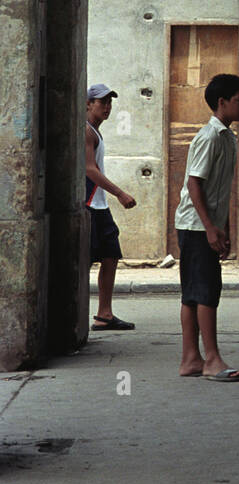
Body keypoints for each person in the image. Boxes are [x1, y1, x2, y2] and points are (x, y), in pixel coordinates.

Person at [174, 73, 239, 381]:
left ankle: (191, 358)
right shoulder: (210, 136)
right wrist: (209, 227)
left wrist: (224, 227)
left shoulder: (228, 137)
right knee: (204, 292)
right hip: (194, 225)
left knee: (194, 291)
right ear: (222, 103)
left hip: (204, 225)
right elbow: (194, 183)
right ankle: (211, 359)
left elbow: (221, 189)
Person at [86, 84, 137, 332]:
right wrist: (119, 193)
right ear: (88, 104)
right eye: (101, 102)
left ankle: (104, 314)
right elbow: (89, 169)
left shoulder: (95, 131)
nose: (106, 107)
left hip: (98, 205)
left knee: (111, 254)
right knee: (86, 258)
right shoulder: (87, 131)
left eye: (109, 103)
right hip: (90, 204)